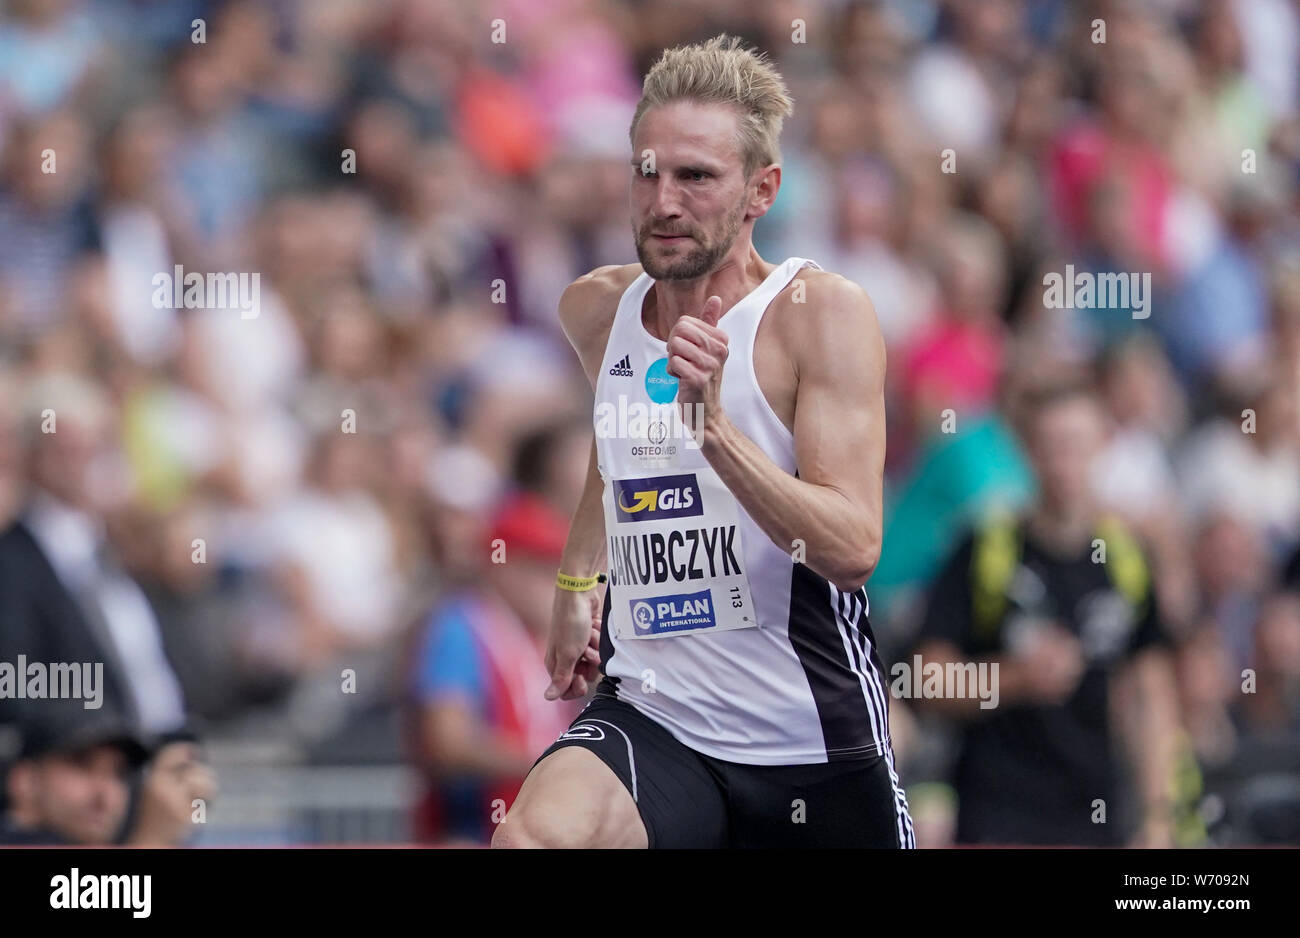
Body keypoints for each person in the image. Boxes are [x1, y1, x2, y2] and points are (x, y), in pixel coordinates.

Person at [495, 35, 913, 849]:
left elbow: (853, 545)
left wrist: (715, 431)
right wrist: (581, 572)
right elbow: (613, 436)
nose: (664, 201)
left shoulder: (817, 317)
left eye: (696, 177)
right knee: (534, 840)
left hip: (807, 737)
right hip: (656, 714)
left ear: (762, 190)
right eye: (647, 172)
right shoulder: (597, 310)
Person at [912, 381, 1181, 846]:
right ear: (1028, 452)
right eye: (1050, 446)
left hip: (1095, 816)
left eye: (1076, 445)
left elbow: (1151, 696)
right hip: (997, 812)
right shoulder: (984, 549)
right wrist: (1016, 677)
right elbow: (928, 680)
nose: (1063, 464)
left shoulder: (1127, 559)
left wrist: (1159, 819)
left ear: (1103, 446)